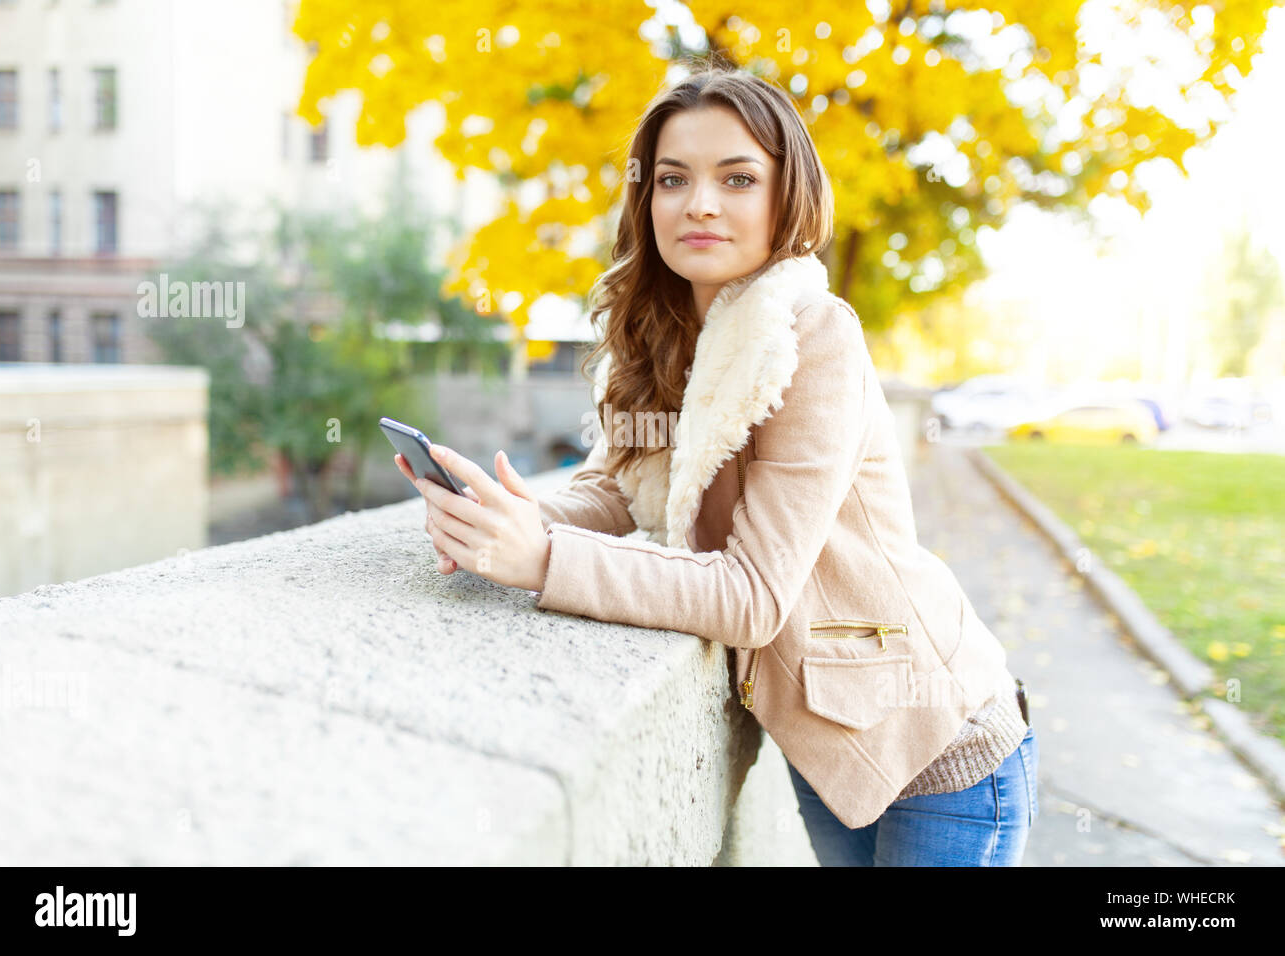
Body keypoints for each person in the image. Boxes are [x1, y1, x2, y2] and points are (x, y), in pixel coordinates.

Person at [395, 64, 1039, 866]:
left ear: (785, 197)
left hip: (944, 755)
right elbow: (615, 490)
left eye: (737, 178)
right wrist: (503, 520)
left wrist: (543, 559)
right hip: (823, 742)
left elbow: (753, 597)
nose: (699, 202)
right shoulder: (663, 337)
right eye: (673, 179)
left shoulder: (813, 338)